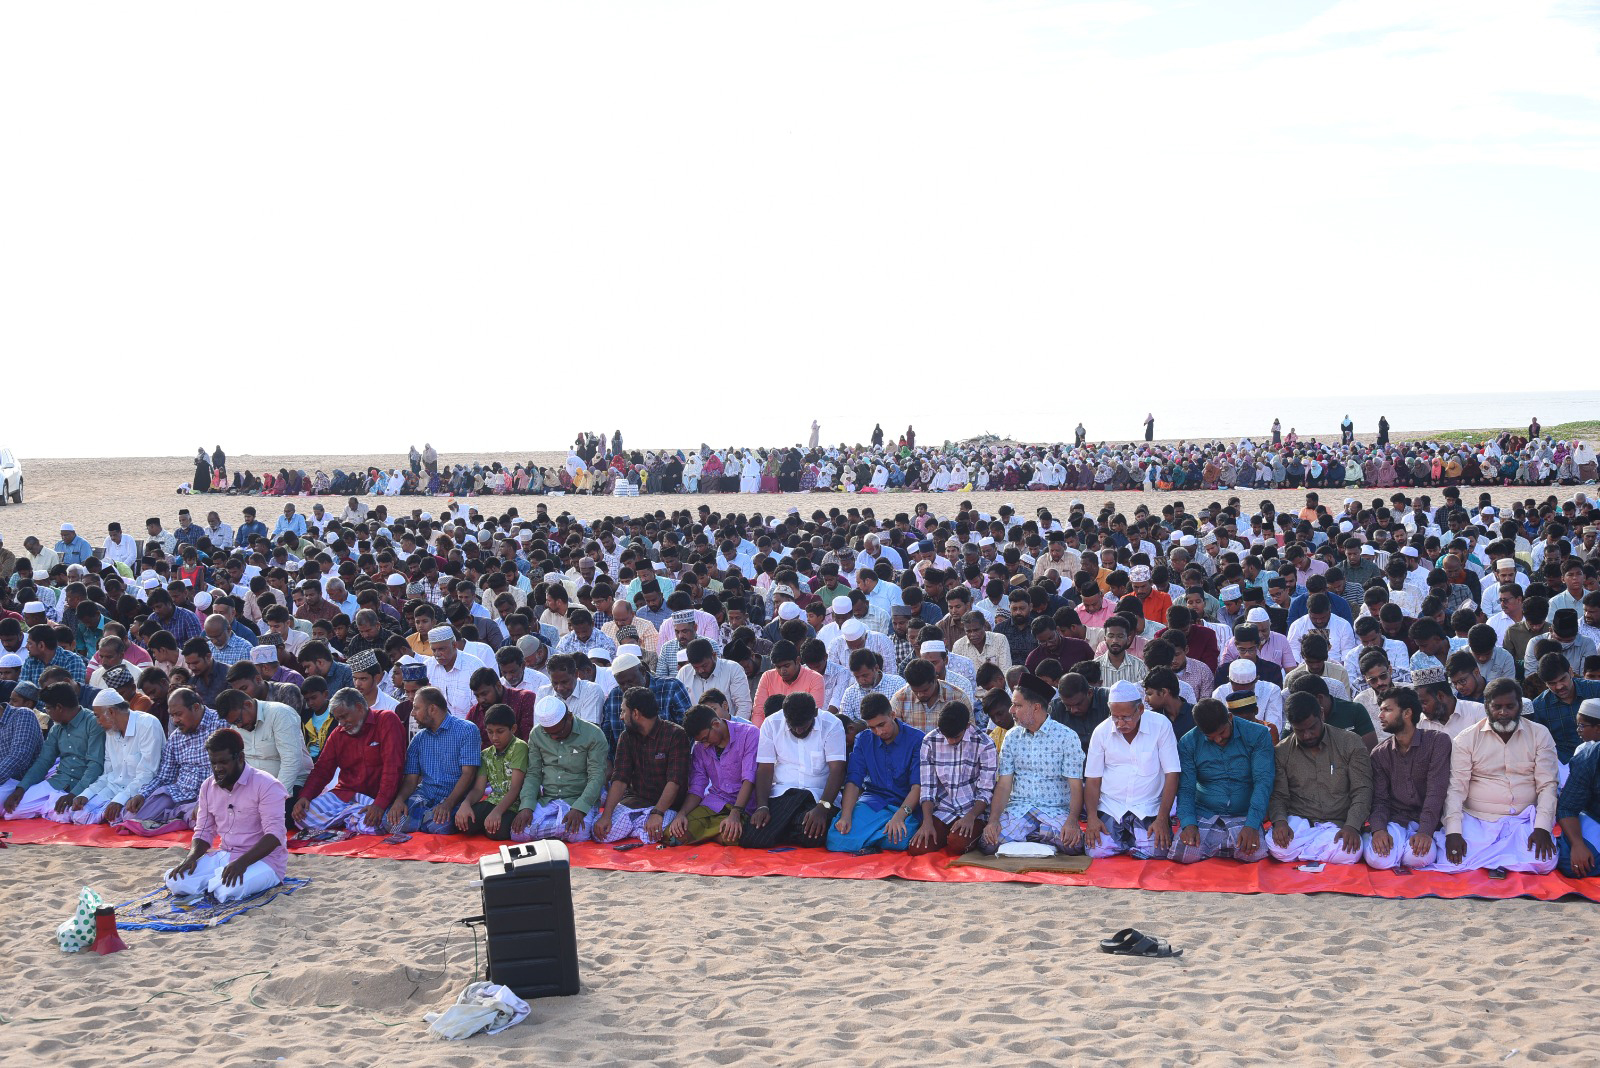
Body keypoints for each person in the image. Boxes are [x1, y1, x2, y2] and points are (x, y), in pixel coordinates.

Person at [1433, 677, 1559, 875]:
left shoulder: (1539, 734)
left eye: (1510, 706)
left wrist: (1542, 827)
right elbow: (1456, 788)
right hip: (1478, 819)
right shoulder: (1466, 739)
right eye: (1497, 707)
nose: (1503, 713)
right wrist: (1454, 832)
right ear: (1486, 707)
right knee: (1452, 859)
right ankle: (1501, 860)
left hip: (1523, 819)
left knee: (1545, 861)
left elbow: (1548, 786)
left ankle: (1495, 860)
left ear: (1519, 705)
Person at [163, 728, 288, 904]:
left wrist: (241, 863)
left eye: (223, 762)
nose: (217, 769)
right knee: (174, 880)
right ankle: (212, 882)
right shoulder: (208, 786)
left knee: (228, 890)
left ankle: (213, 883)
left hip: (265, 861)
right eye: (213, 763)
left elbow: (275, 835)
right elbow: (203, 831)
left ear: (240, 758)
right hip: (227, 856)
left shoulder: (267, 785)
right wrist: (191, 858)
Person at [980, 672, 1084, 854]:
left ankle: (1031, 839)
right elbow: (1004, 785)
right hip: (1019, 810)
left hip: (1054, 810)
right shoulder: (1012, 736)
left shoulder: (1066, 737)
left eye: (1017, 705)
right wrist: (993, 820)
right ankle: (1038, 839)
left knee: (1072, 845)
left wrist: (1072, 821)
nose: (1011, 710)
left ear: (1036, 708)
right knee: (988, 843)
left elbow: (1075, 786)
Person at [1266, 692, 1373, 865]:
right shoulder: (1282, 751)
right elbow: (1279, 795)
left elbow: (1362, 790)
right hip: (1301, 823)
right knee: (1276, 845)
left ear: (1322, 715)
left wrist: (1352, 826)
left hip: (1339, 824)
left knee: (1350, 852)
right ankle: (1319, 851)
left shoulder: (1350, 743)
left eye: (1312, 728)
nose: (1307, 735)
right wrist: (1280, 823)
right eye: (1299, 731)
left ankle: (1307, 852)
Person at [1083, 679, 1181, 859]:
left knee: (1158, 850)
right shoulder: (1101, 731)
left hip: (1148, 806)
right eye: (1115, 717)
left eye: (1126, 717)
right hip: (1112, 805)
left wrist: (1161, 819)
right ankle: (1131, 840)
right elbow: (1092, 779)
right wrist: (1092, 819)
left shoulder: (1160, 725)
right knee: (1095, 850)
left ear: (1141, 710)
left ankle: (1130, 840)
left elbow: (1172, 774)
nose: (1120, 723)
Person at [1171, 697, 1274, 864]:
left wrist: (1252, 825)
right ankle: (1224, 844)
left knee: (1254, 852)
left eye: (1222, 733)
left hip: (1243, 814)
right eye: (1211, 737)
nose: (1218, 740)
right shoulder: (1188, 742)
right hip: (1206, 813)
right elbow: (1186, 788)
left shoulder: (1258, 734)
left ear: (1230, 717)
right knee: (1184, 854)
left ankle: (1220, 845)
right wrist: (1189, 824)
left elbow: (1263, 782)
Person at [291, 688, 408, 834]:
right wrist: (305, 796)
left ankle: (351, 818)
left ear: (359, 707)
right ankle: (351, 817)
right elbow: (322, 770)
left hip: (375, 797)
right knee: (301, 817)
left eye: (344, 717)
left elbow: (393, 767)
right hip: (345, 795)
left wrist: (380, 804)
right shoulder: (337, 734)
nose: (341, 724)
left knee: (375, 824)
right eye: (338, 719)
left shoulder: (386, 720)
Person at [742, 692, 847, 849]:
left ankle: (787, 826)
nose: (798, 731)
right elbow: (765, 769)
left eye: (803, 726)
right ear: (785, 716)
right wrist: (762, 806)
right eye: (792, 726)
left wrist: (822, 808)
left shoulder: (832, 724)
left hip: (818, 796)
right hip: (783, 794)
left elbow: (838, 769)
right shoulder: (771, 724)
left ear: (815, 714)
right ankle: (793, 824)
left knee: (814, 836)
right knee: (752, 837)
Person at [1364, 686, 1451, 871]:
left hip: (1428, 822)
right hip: (1396, 820)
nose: (1380, 715)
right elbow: (1380, 799)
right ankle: (1396, 846)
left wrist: (1425, 832)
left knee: (1418, 859)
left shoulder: (1438, 742)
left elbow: (1437, 792)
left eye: (1387, 710)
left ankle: (1407, 848)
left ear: (1407, 713)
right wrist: (1378, 830)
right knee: (1377, 859)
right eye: (1381, 710)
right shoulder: (1379, 754)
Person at [593, 686, 691, 844]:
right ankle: (637, 826)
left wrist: (657, 813)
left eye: (623, 711)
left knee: (654, 836)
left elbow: (675, 781)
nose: (621, 717)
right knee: (601, 833)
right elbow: (620, 779)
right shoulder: (626, 737)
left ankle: (638, 827)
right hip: (635, 802)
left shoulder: (675, 734)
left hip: (665, 806)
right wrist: (607, 815)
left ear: (636, 713)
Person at [826, 693, 923, 853]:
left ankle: (867, 839)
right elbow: (853, 781)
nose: (878, 732)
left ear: (892, 715)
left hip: (903, 805)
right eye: (872, 727)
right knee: (835, 837)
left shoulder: (916, 739)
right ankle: (876, 838)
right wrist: (846, 815)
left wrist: (899, 817)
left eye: (881, 725)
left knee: (903, 839)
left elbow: (917, 787)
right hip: (873, 803)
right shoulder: (863, 739)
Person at [118, 688, 222, 830]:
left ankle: (177, 816)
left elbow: (229, 772)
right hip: (179, 793)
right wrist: (142, 795)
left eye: (178, 714)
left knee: (203, 822)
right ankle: (179, 815)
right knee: (131, 816)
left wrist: (206, 800)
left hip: (210, 794)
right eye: (172, 716)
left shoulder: (222, 724)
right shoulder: (176, 737)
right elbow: (164, 777)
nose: (175, 720)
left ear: (196, 707)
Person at [510, 695, 609, 843]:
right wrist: (526, 807)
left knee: (578, 834)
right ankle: (557, 833)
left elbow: (597, 776)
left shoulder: (593, 735)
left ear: (569, 717)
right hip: (548, 799)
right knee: (517, 834)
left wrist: (580, 809)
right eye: (549, 734)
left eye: (558, 732)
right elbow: (533, 774)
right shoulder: (537, 734)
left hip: (578, 798)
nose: (554, 737)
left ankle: (550, 832)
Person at [2, 682, 104, 820]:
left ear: (59, 707)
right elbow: (43, 762)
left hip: (82, 786)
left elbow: (95, 765)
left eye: (48, 708)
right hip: (57, 781)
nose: (46, 712)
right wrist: (21, 788)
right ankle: (50, 808)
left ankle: (52, 808)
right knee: (11, 812)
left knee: (70, 815)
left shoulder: (93, 723)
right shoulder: (57, 728)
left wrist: (74, 794)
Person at [387, 686, 481, 833]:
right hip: (424, 796)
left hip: (453, 798)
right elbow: (411, 779)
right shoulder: (419, 738)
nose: (412, 714)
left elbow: (468, 773)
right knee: (389, 820)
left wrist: (448, 804)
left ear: (432, 709)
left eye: (416, 708)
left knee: (439, 827)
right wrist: (399, 800)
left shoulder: (467, 730)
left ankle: (421, 822)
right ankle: (423, 820)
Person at [69, 689, 165, 825]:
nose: (97, 722)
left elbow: (148, 774)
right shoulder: (111, 731)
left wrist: (120, 800)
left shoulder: (148, 724)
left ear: (111, 712)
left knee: (127, 817)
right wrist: (87, 793)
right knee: (77, 814)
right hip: (114, 789)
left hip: (143, 792)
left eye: (97, 716)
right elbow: (109, 774)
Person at [667, 704, 759, 844]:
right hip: (714, 803)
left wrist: (735, 813)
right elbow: (697, 787)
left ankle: (710, 835)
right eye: (700, 741)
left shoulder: (749, 734)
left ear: (715, 724)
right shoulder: (699, 748)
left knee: (732, 837)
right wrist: (682, 814)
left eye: (705, 739)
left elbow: (749, 778)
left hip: (742, 806)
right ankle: (715, 836)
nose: (704, 745)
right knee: (673, 834)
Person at [214, 688, 312, 801]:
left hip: (289, 784)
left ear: (248, 704)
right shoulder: (237, 725)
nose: (239, 726)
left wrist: (275, 796)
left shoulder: (280, 714)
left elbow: (291, 761)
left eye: (238, 721)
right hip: (255, 788)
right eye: (234, 723)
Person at [454, 704, 528, 840]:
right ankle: (487, 822)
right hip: (493, 800)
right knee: (463, 823)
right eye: (490, 732)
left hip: (514, 805)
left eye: (500, 731)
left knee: (496, 832)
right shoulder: (486, 754)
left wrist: (497, 812)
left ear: (513, 729)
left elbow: (515, 789)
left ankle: (489, 823)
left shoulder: (519, 747)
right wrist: (466, 804)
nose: (494, 737)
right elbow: (478, 789)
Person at [1555, 699, 1600, 877]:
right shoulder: (1590, 756)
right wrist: (1578, 845)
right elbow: (1567, 807)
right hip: (1595, 818)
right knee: (1570, 861)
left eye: (1582, 725)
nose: (1578, 730)